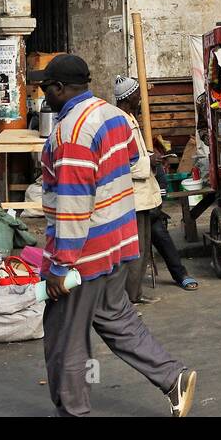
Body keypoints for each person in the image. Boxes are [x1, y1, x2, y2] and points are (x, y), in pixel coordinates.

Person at [31, 53, 196, 417]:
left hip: (83, 254)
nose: (44, 93)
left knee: (66, 339)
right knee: (116, 319)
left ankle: (74, 410)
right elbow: (133, 164)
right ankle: (172, 377)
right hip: (117, 242)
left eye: (46, 87)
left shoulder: (71, 132)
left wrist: (60, 266)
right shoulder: (113, 116)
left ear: (60, 88)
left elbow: (74, 204)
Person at [114, 74, 167, 306]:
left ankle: (134, 294)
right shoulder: (122, 121)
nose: (140, 98)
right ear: (129, 97)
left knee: (143, 248)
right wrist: (150, 161)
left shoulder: (129, 118)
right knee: (136, 249)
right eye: (138, 94)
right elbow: (129, 163)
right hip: (133, 196)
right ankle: (130, 298)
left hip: (142, 197)